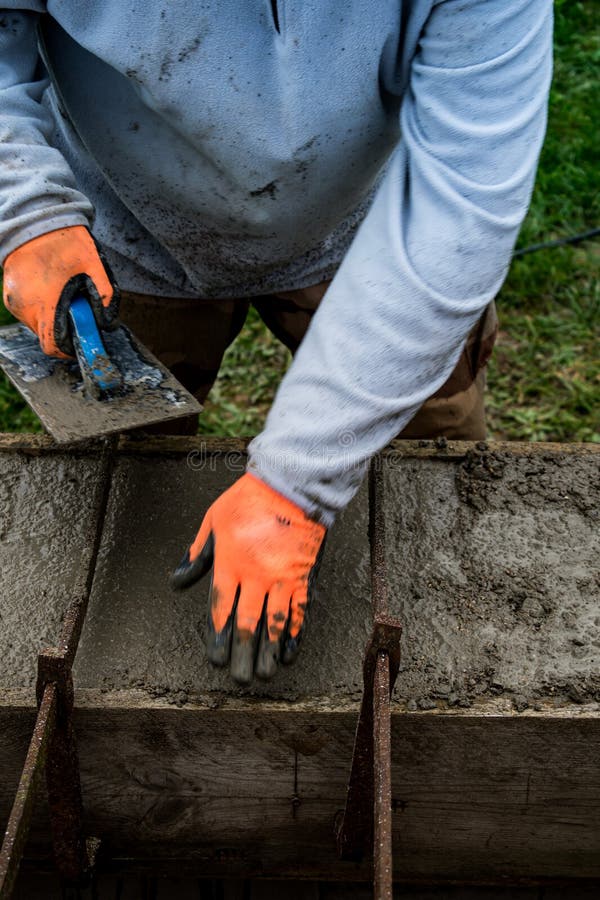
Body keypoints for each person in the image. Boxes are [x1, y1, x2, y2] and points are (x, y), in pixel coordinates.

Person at [0, 1, 552, 683]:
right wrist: (24, 206)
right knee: (129, 495)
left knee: (436, 475)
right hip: (128, 226)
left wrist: (297, 488)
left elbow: (462, 211)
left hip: (366, 230)